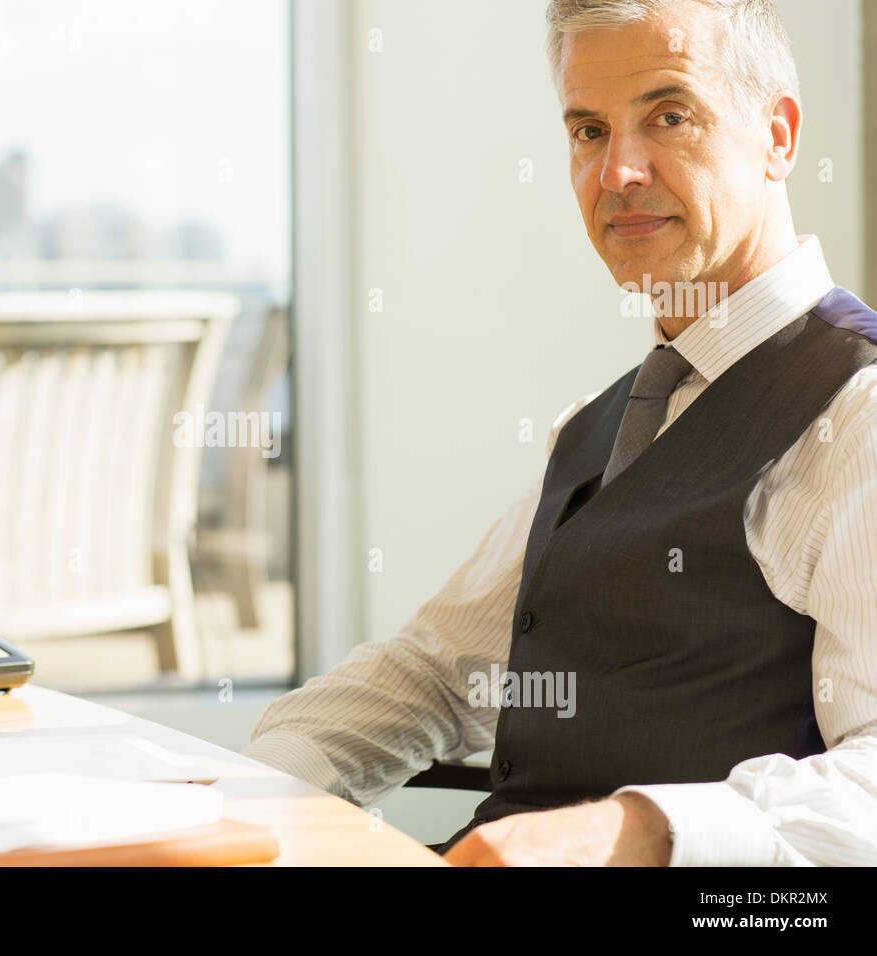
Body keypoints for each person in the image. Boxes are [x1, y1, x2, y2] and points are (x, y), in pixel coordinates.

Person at [242, 0, 877, 866]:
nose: (618, 171)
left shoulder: (859, 412)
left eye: (669, 116)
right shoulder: (599, 424)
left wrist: (617, 834)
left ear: (779, 135)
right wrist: (250, 793)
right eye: (587, 130)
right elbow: (436, 672)